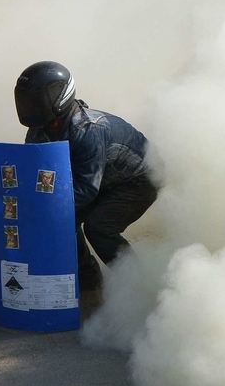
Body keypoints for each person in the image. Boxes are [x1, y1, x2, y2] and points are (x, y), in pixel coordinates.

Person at [15, 62, 157, 293]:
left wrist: (44, 208)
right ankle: (88, 278)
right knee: (62, 219)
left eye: (35, 100)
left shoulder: (87, 131)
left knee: (99, 228)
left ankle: (139, 286)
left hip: (139, 180)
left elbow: (87, 189)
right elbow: (37, 172)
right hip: (105, 179)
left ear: (58, 97)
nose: (28, 107)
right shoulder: (39, 130)